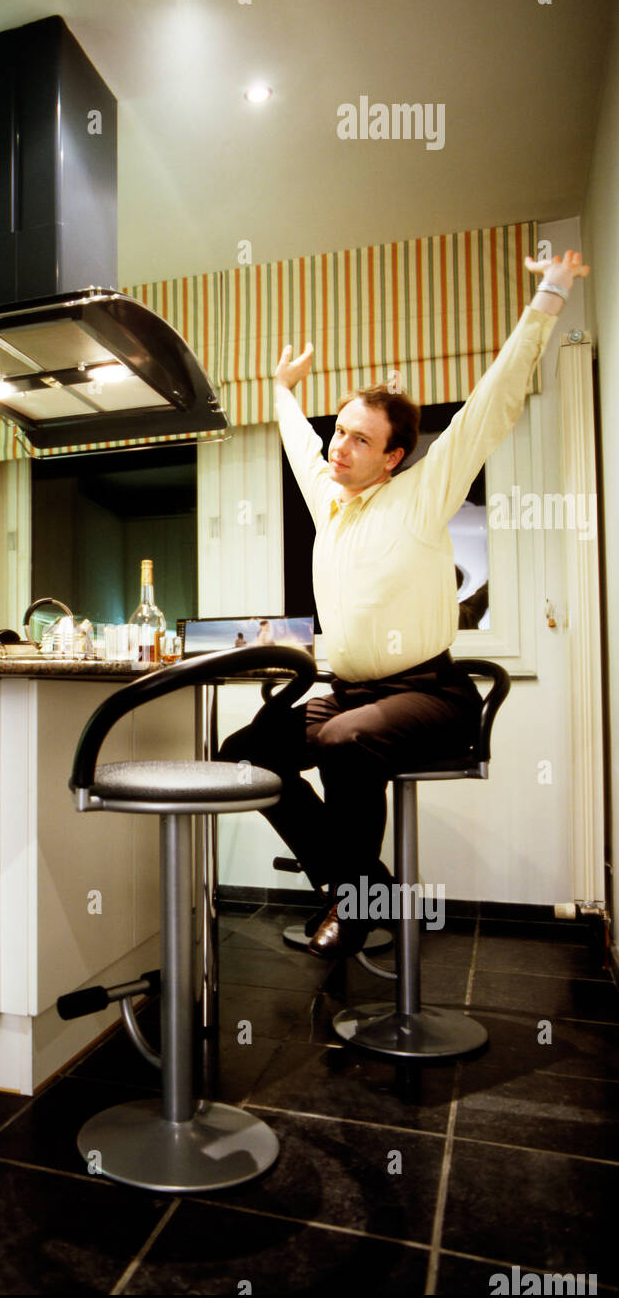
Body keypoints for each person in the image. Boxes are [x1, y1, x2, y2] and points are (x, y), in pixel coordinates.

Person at [218, 251, 590, 958]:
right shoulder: (330, 501)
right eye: (341, 431)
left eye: (360, 439)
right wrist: (280, 389)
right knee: (246, 755)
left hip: (428, 694)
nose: (340, 446)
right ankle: (362, 888)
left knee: (340, 741)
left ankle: (354, 901)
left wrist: (548, 292)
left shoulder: (420, 494)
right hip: (346, 691)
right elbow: (299, 440)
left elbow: (491, 403)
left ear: (392, 457)